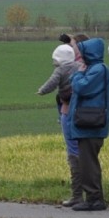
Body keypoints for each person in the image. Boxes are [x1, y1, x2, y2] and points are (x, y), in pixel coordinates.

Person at [39, 41, 85, 206]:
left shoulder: (60, 70)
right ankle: (88, 193)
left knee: (73, 152)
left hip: (68, 112)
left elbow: (51, 83)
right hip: (83, 112)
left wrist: (41, 91)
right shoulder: (80, 65)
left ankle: (77, 195)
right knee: (82, 152)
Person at [69, 38, 109, 212]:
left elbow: (82, 88)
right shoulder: (96, 69)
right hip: (88, 123)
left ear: (89, 52)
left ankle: (94, 199)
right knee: (88, 163)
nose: (79, 55)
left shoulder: (98, 70)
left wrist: (78, 74)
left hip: (91, 124)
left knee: (88, 164)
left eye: (81, 51)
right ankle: (93, 197)